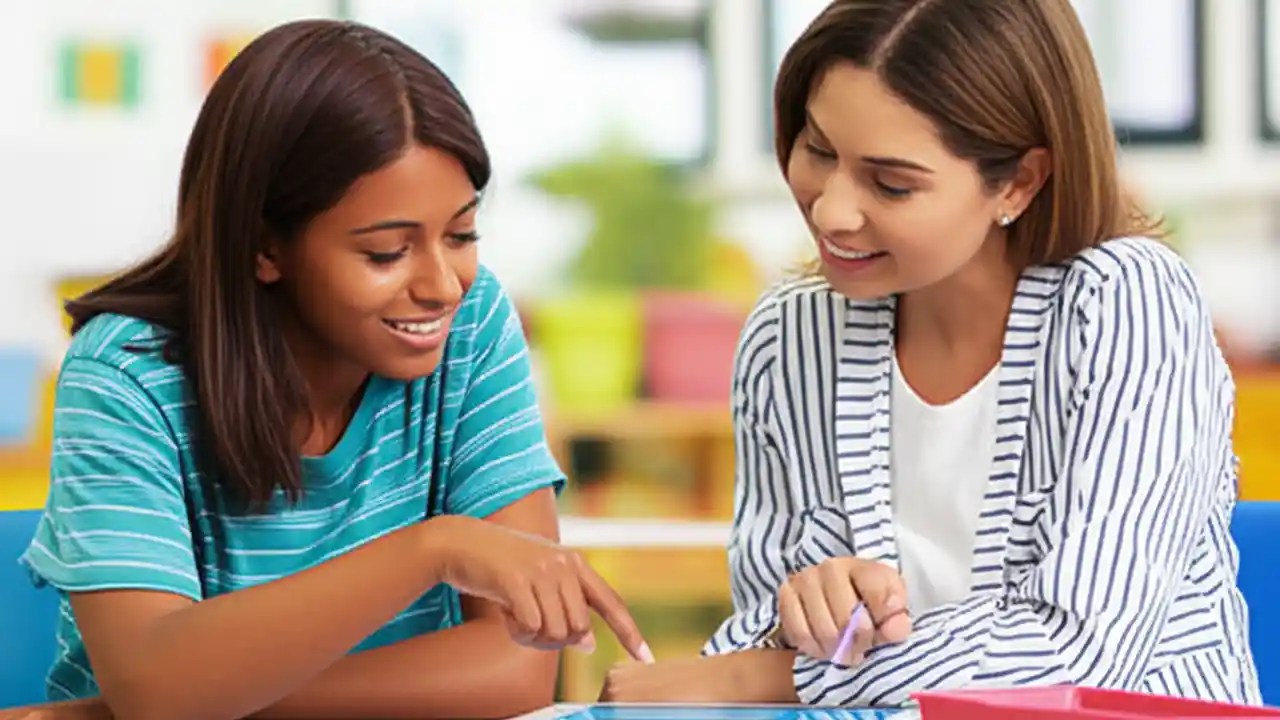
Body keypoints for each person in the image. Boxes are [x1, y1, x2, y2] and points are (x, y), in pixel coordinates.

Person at [600, 0, 1261, 707]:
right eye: (819, 149)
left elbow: (1083, 652)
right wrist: (806, 611)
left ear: (1018, 181)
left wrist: (762, 673)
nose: (830, 211)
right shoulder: (789, 337)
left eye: (891, 183)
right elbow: (768, 618)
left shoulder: (1127, 305)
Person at [20, 19, 651, 720]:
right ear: (265, 246)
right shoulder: (127, 373)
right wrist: (433, 549)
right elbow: (157, 679)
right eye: (387, 253)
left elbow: (517, 671)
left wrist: (166, 705)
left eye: (462, 234)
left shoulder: (468, 325)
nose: (442, 284)